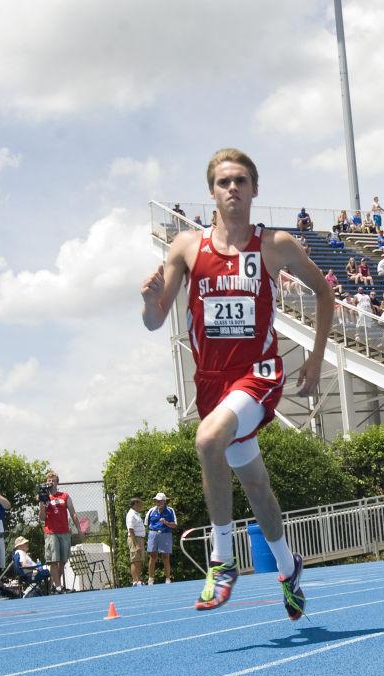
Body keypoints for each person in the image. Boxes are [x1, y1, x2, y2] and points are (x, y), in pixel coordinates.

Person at [141, 148, 334, 619]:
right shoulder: (187, 246)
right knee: (257, 487)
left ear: (254, 189)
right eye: (224, 182)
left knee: (207, 440)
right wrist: (148, 301)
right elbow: (154, 320)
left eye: (241, 181)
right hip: (212, 384)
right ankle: (290, 570)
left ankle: (222, 561)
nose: (232, 188)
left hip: (259, 374)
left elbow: (324, 292)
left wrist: (315, 357)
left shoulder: (276, 245)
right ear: (212, 191)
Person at [39, 472, 78, 594]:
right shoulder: (44, 497)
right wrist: (41, 502)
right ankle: (58, 586)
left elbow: (73, 512)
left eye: (53, 480)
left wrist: (79, 530)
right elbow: (42, 517)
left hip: (64, 532)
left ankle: (55, 585)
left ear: (57, 482)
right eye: (48, 480)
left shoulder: (64, 496)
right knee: (54, 560)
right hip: (51, 532)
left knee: (62, 560)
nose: (50, 482)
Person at [145, 493, 177, 584]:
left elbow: (174, 525)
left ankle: (167, 579)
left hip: (166, 534)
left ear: (164, 501)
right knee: (152, 556)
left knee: (165, 556)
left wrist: (166, 522)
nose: (158, 502)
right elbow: (146, 524)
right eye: (156, 500)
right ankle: (150, 579)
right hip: (153, 534)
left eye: (160, 501)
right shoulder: (151, 510)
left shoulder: (170, 511)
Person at [125, 498, 146, 587]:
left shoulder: (136, 514)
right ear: (135, 504)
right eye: (140, 504)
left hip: (139, 538)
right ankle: (135, 581)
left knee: (139, 560)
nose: (141, 506)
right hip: (135, 539)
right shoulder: (131, 515)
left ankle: (139, 580)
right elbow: (131, 529)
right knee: (135, 560)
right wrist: (136, 544)